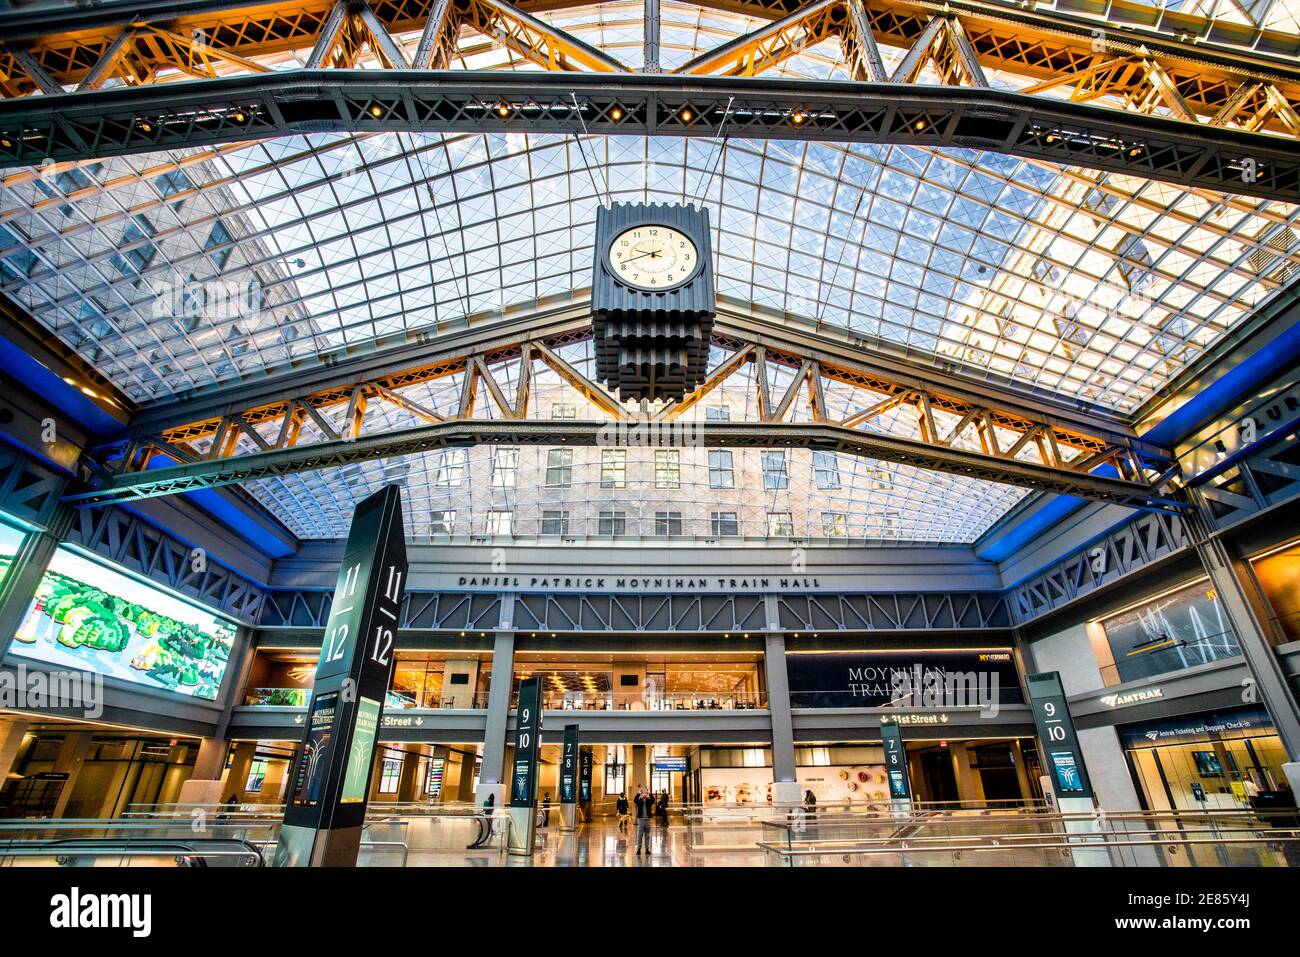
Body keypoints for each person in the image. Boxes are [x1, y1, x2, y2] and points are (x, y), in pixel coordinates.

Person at [633, 784, 654, 856]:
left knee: (647, 835)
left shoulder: (649, 801)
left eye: (646, 793)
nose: (644, 794)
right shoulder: (639, 802)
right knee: (640, 835)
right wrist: (638, 793)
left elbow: (653, 800)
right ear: (641, 795)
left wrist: (649, 793)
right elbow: (635, 800)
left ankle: (647, 849)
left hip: (647, 820)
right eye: (643, 793)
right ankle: (638, 849)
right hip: (641, 820)